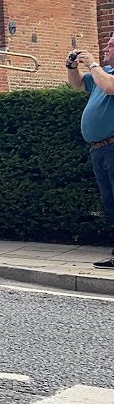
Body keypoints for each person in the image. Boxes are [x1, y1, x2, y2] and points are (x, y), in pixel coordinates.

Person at [69, 33, 114, 269]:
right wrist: (72, 67)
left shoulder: (104, 76)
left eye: (111, 46)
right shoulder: (103, 74)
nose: (105, 48)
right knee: (110, 203)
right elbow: (77, 84)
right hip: (100, 150)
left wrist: (93, 63)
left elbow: (109, 87)